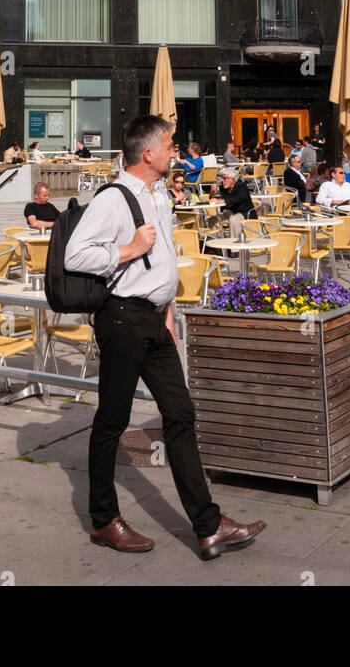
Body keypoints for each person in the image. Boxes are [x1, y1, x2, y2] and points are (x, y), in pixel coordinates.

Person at [64, 115, 266, 559]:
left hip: (155, 320)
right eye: (171, 146)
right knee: (112, 423)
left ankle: (208, 526)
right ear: (149, 153)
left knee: (181, 414)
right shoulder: (113, 199)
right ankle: (103, 520)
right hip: (121, 319)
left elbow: (165, 262)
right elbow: (75, 253)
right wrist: (129, 249)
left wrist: (169, 310)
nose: (177, 151)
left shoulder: (158, 195)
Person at [218, 168, 256, 237]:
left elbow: (237, 198)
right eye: (221, 178)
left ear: (232, 179)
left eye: (225, 178)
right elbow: (216, 199)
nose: (222, 180)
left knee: (233, 220)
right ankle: (220, 244)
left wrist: (222, 201)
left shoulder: (241, 186)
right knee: (213, 219)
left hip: (244, 213)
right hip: (229, 212)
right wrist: (212, 192)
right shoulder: (223, 187)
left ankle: (235, 247)